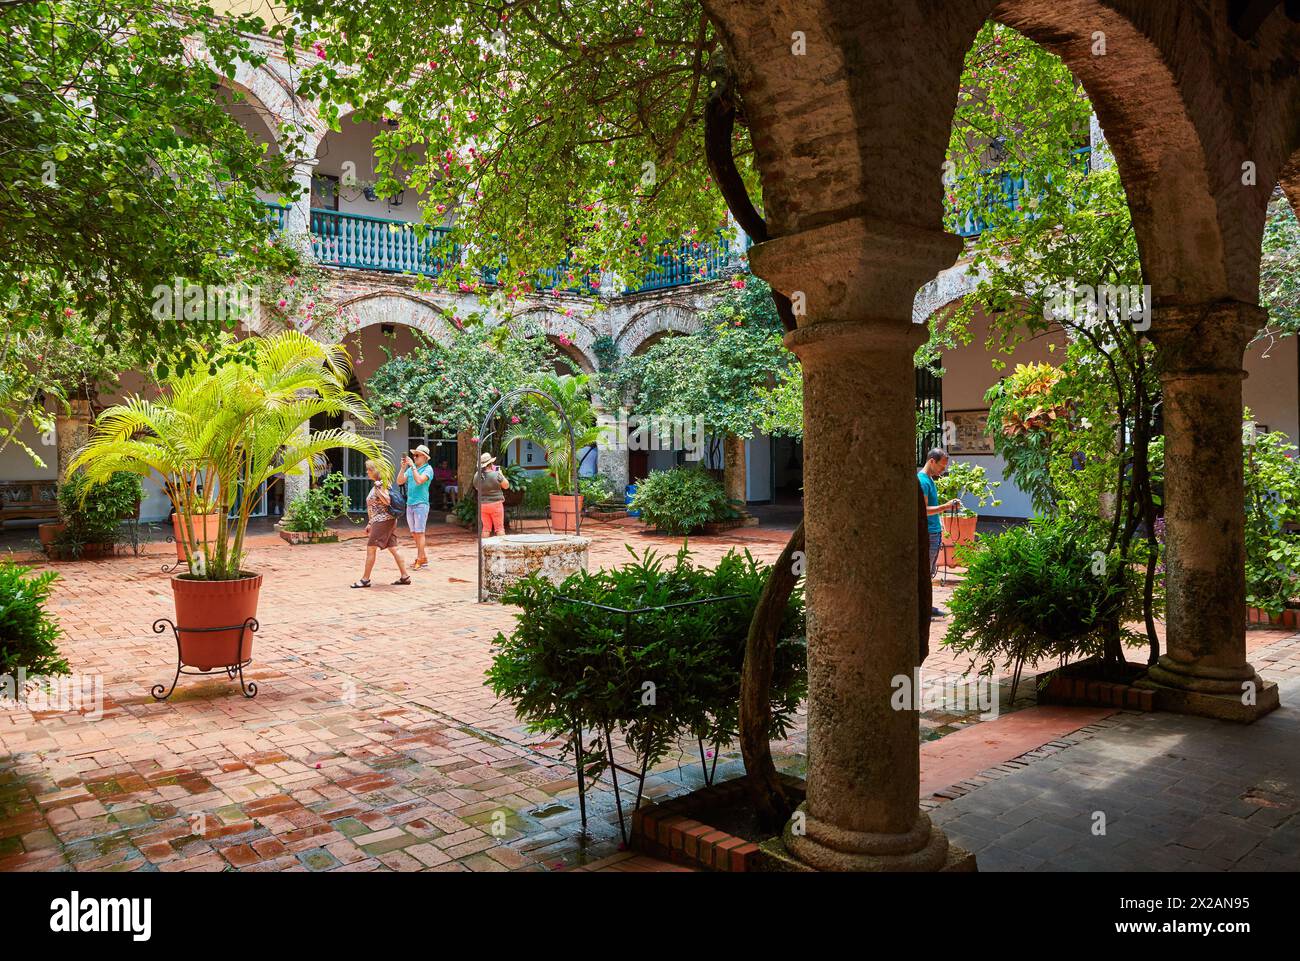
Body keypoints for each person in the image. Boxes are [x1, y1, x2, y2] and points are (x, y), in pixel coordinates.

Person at [351, 460, 411, 588]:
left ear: (375, 471)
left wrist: (379, 489)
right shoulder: (379, 484)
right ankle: (405, 576)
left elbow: (387, 501)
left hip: (383, 521)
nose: (367, 472)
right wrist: (370, 523)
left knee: (371, 548)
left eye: (369, 469)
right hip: (385, 520)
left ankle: (365, 579)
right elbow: (375, 508)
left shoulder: (380, 485)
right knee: (394, 548)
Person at [918, 447, 961, 618]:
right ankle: (923, 609)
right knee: (925, 572)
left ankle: (927, 606)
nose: (943, 470)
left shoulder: (929, 480)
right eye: (942, 466)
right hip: (929, 533)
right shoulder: (922, 481)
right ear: (932, 461)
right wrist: (946, 506)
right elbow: (924, 510)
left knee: (928, 572)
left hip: (934, 532)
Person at [397, 444, 435, 570]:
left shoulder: (428, 469)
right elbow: (399, 481)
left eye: (417, 455)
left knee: (420, 532)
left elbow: (419, 481)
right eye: (414, 455)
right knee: (414, 533)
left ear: (424, 457)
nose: (414, 457)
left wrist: (412, 466)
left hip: (421, 504)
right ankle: (423, 558)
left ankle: (420, 559)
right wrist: (403, 468)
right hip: (410, 504)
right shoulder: (411, 469)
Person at [474, 452, 509, 536]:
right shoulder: (496, 474)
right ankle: (501, 548)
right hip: (496, 504)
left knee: (486, 529)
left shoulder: (477, 475)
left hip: (483, 505)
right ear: (491, 463)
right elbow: (506, 486)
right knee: (499, 528)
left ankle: (484, 548)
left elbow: (476, 488)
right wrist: (501, 474)